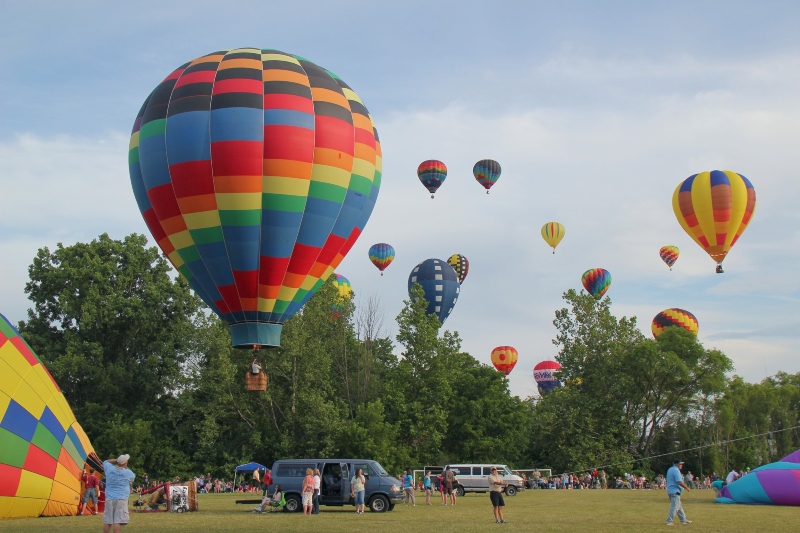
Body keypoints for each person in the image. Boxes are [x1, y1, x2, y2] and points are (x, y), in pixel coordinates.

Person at [102, 454, 136, 533]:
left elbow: (105, 462)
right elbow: (132, 477)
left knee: (107, 521)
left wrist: (117, 460)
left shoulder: (110, 468)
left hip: (109, 498)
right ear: (125, 463)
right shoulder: (127, 472)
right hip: (121, 498)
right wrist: (126, 467)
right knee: (117, 521)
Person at [665, 459, 692, 526]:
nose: (681, 465)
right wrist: (686, 487)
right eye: (680, 464)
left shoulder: (670, 469)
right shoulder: (676, 470)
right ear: (676, 464)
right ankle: (669, 521)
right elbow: (679, 481)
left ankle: (683, 520)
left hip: (670, 490)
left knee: (679, 506)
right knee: (674, 507)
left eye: (681, 464)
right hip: (675, 491)